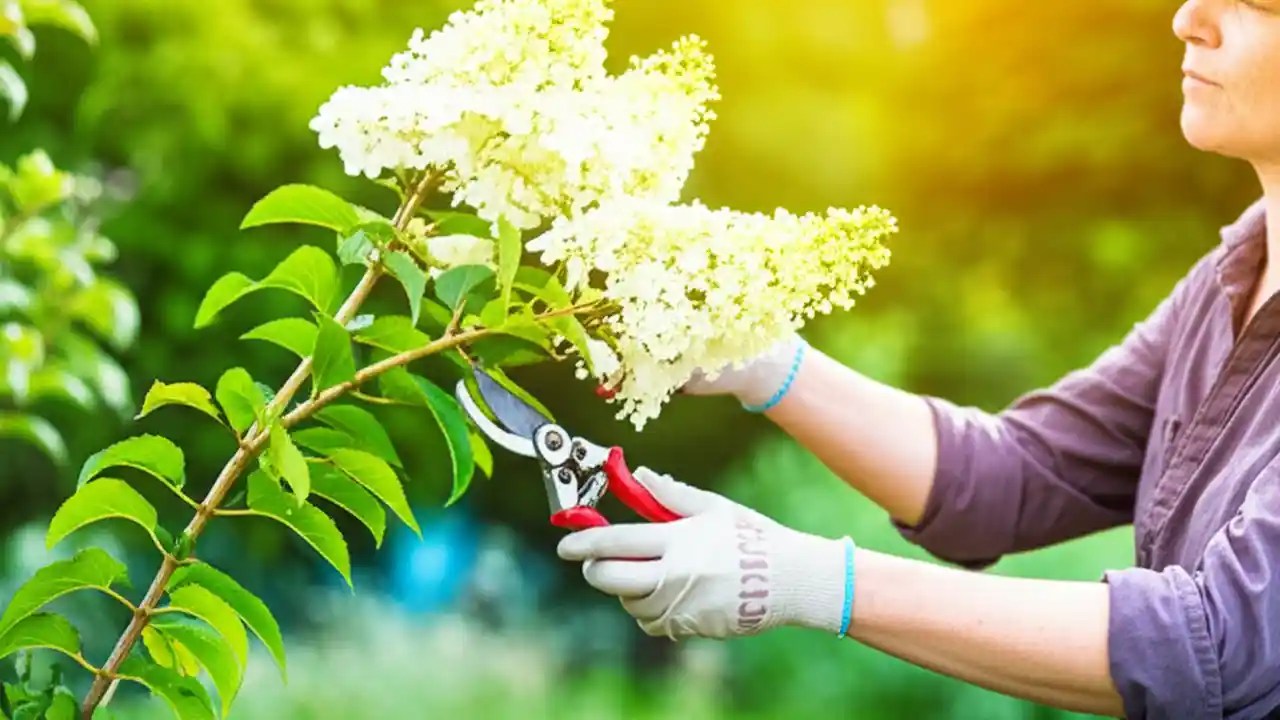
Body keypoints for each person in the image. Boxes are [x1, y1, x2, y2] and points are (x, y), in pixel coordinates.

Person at [554, 1, 1280, 717]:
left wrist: (803, 578)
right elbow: (1016, 476)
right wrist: (763, 361)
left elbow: (1211, 644)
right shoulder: (1232, 277)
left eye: (1254, 3)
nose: (1190, 18)